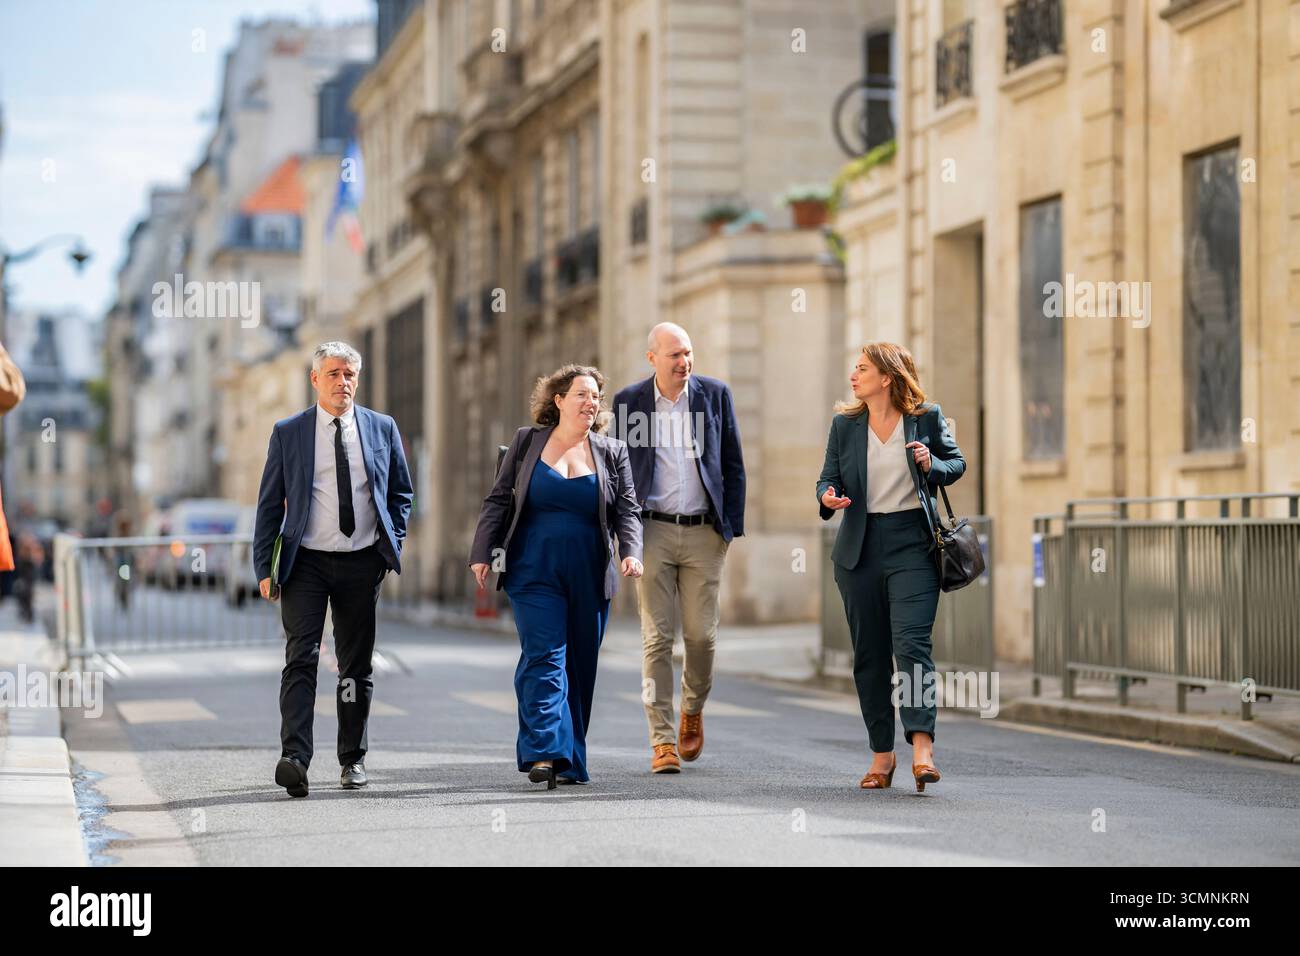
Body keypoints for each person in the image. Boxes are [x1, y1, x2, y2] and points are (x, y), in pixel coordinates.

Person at [469, 365, 643, 788]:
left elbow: (628, 509)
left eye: (596, 396)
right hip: (533, 568)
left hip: (590, 570)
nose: (591, 402)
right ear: (559, 401)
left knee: (580, 666)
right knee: (545, 656)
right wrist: (483, 553)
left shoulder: (612, 450)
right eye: (581, 394)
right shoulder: (527, 443)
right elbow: (497, 500)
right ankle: (545, 750)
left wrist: (631, 552)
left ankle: (571, 757)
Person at [253, 341, 413, 798]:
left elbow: (402, 492)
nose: (343, 382)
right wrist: (265, 565)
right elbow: (269, 505)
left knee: (354, 666)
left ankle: (352, 760)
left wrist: (391, 543)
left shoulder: (381, 428)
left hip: (362, 562)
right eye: (334, 374)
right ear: (315, 379)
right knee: (300, 658)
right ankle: (295, 758)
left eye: (350, 375)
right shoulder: (290, 433)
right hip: (305, 563)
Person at [816, 342, 965, 792]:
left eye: (862, 369)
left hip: (912, 547)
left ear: (887, 377)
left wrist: (931, 462)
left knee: (913, 646)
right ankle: (882, 755)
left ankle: (922, 747)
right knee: (870, 656)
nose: (853, 376)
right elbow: (827, 477)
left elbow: (955, 463)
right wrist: (827, 497)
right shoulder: (845, 425)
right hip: (859, 551)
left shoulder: (926, 418)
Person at [611, 323, 745, 774]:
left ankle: (692, 706)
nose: (684, 362)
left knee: (701, 637)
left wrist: (730, 529)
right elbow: (621, 474)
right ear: (653, 358)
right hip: (653, 531)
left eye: (688, 353)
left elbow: (733, 462)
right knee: (657, 639)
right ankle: (662, 741)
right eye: (674, 355)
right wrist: (623, 535)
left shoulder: (714, 395)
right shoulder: (630, 402)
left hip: (705, 532)